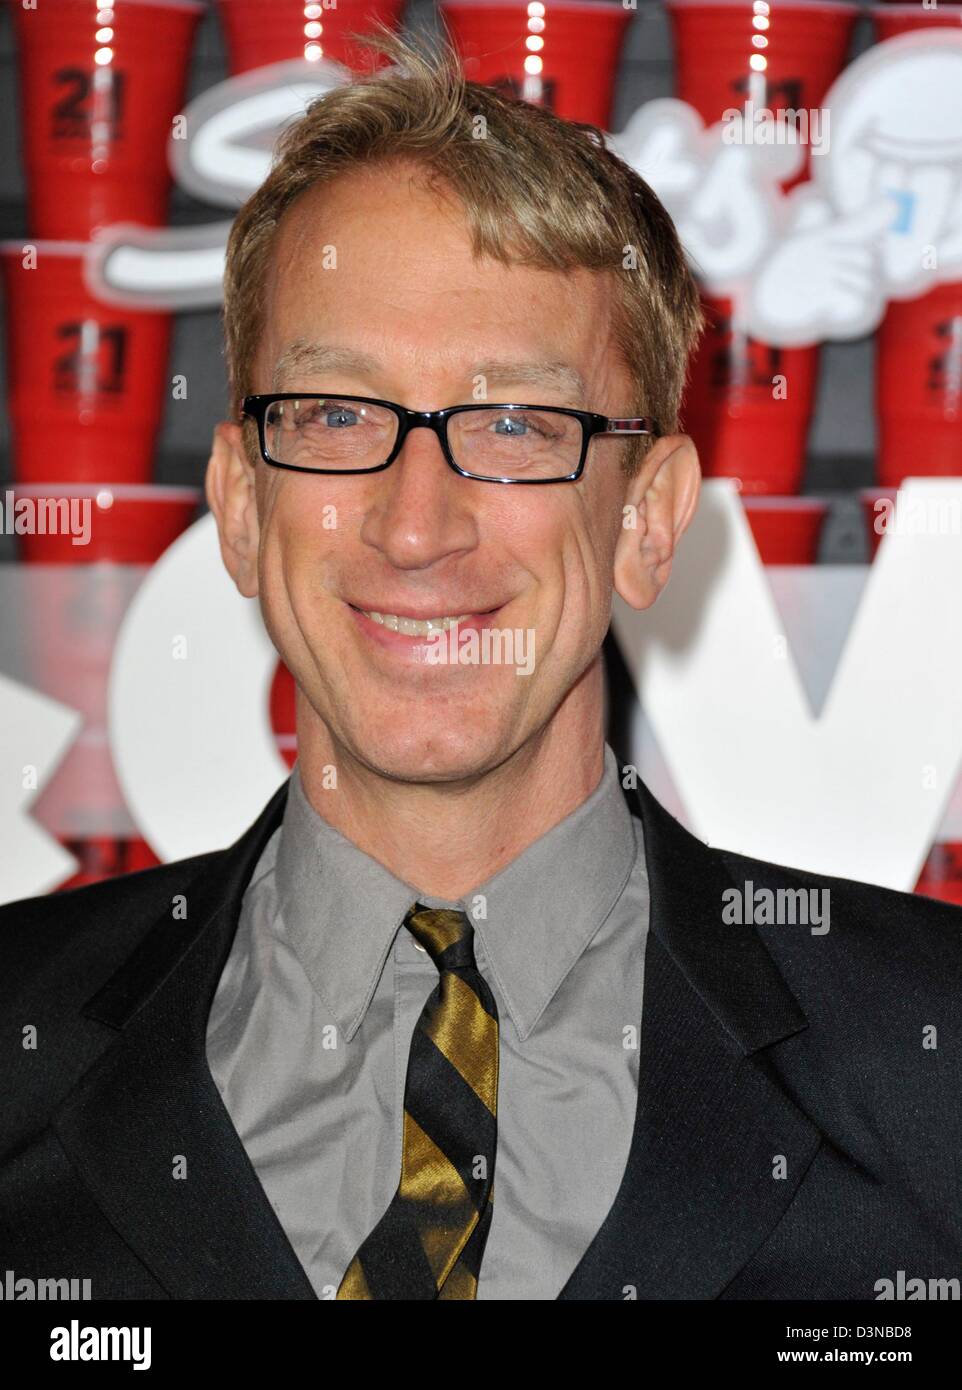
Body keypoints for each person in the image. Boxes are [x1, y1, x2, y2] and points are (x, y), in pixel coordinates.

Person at [2, 28, 961, 1303]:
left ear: (646, 520)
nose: (416, 525)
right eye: (336, 414)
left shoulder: (930, 1061)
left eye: (514, 423)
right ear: (239, 505)